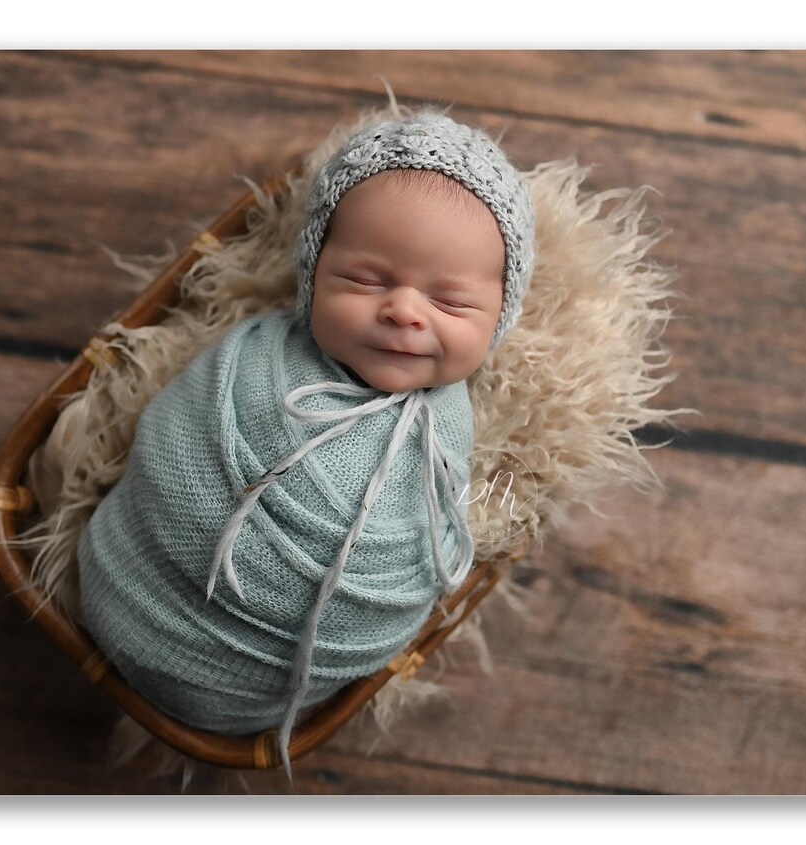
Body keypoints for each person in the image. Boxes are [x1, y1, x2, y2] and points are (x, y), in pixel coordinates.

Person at [76, 109, 535, 784]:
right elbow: (170, 439)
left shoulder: (448, 430)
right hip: (124, 584)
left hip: (255, 692)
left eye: (450, 300)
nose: (405, 310)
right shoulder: (256, 355)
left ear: (500, 319)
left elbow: (426, 554)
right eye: (368, 279)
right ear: (314, 268)